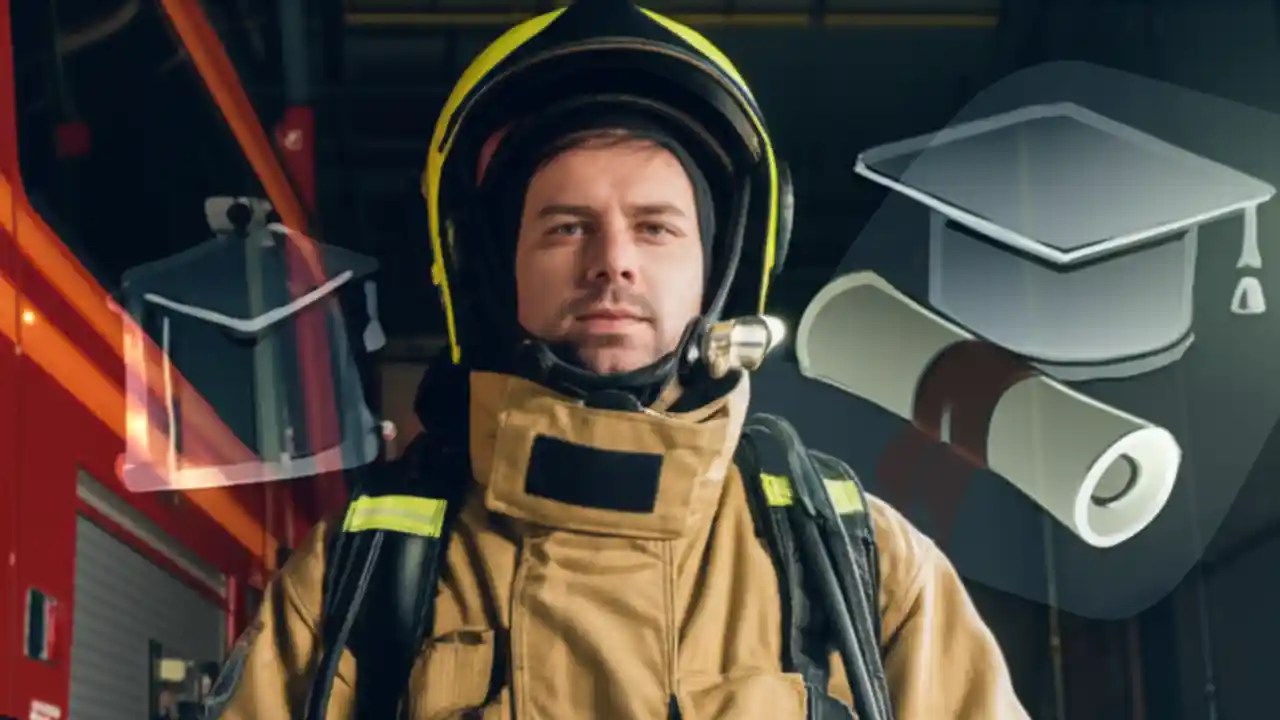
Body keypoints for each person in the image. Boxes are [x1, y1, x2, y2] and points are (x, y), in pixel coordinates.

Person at [205, 1, 1030, 718]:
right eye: (566, 226)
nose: (612, 262)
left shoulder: (863, 563)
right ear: (496, 274)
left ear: (717, 271)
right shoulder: (360, 570)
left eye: (656, 227)